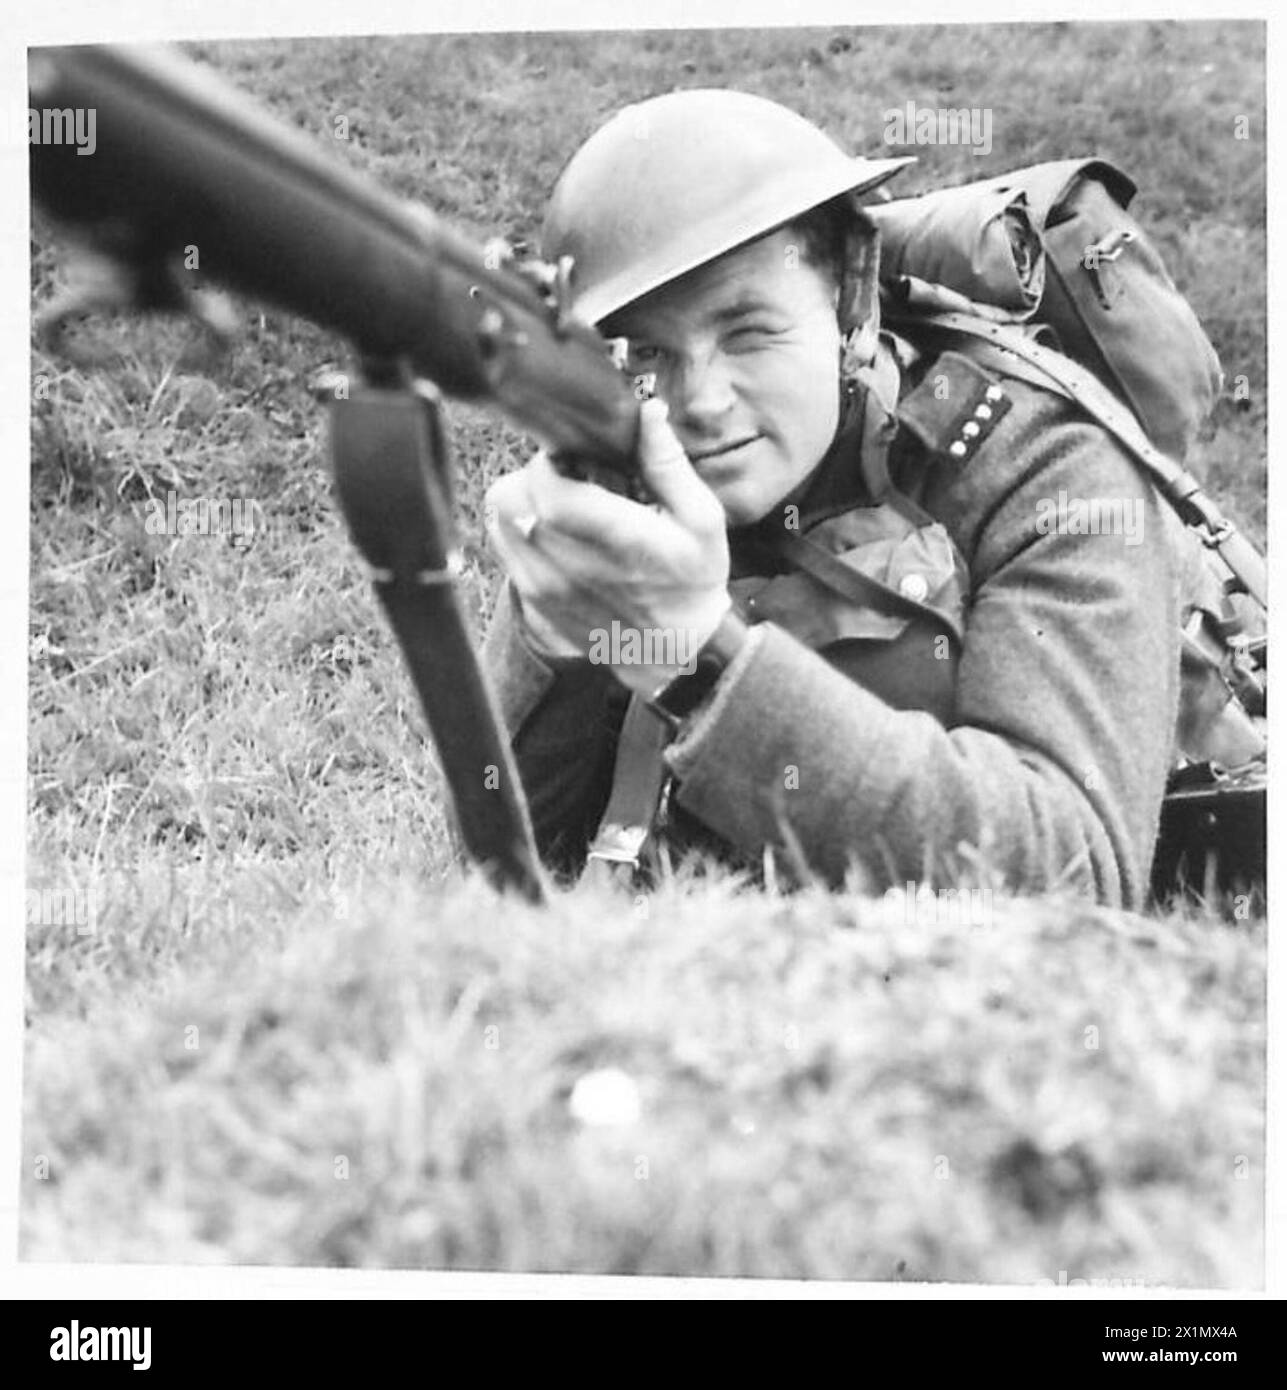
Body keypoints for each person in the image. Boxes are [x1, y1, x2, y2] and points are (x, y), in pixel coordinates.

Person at [482, 88, 1219, 908]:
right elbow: (513, 872)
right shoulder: (628, 474)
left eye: (748, 333)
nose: (702, 401)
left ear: (851, 299)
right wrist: (551, 640)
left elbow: (1070, 873)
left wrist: (700, 657)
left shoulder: (1046, 471)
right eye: (649, 352)